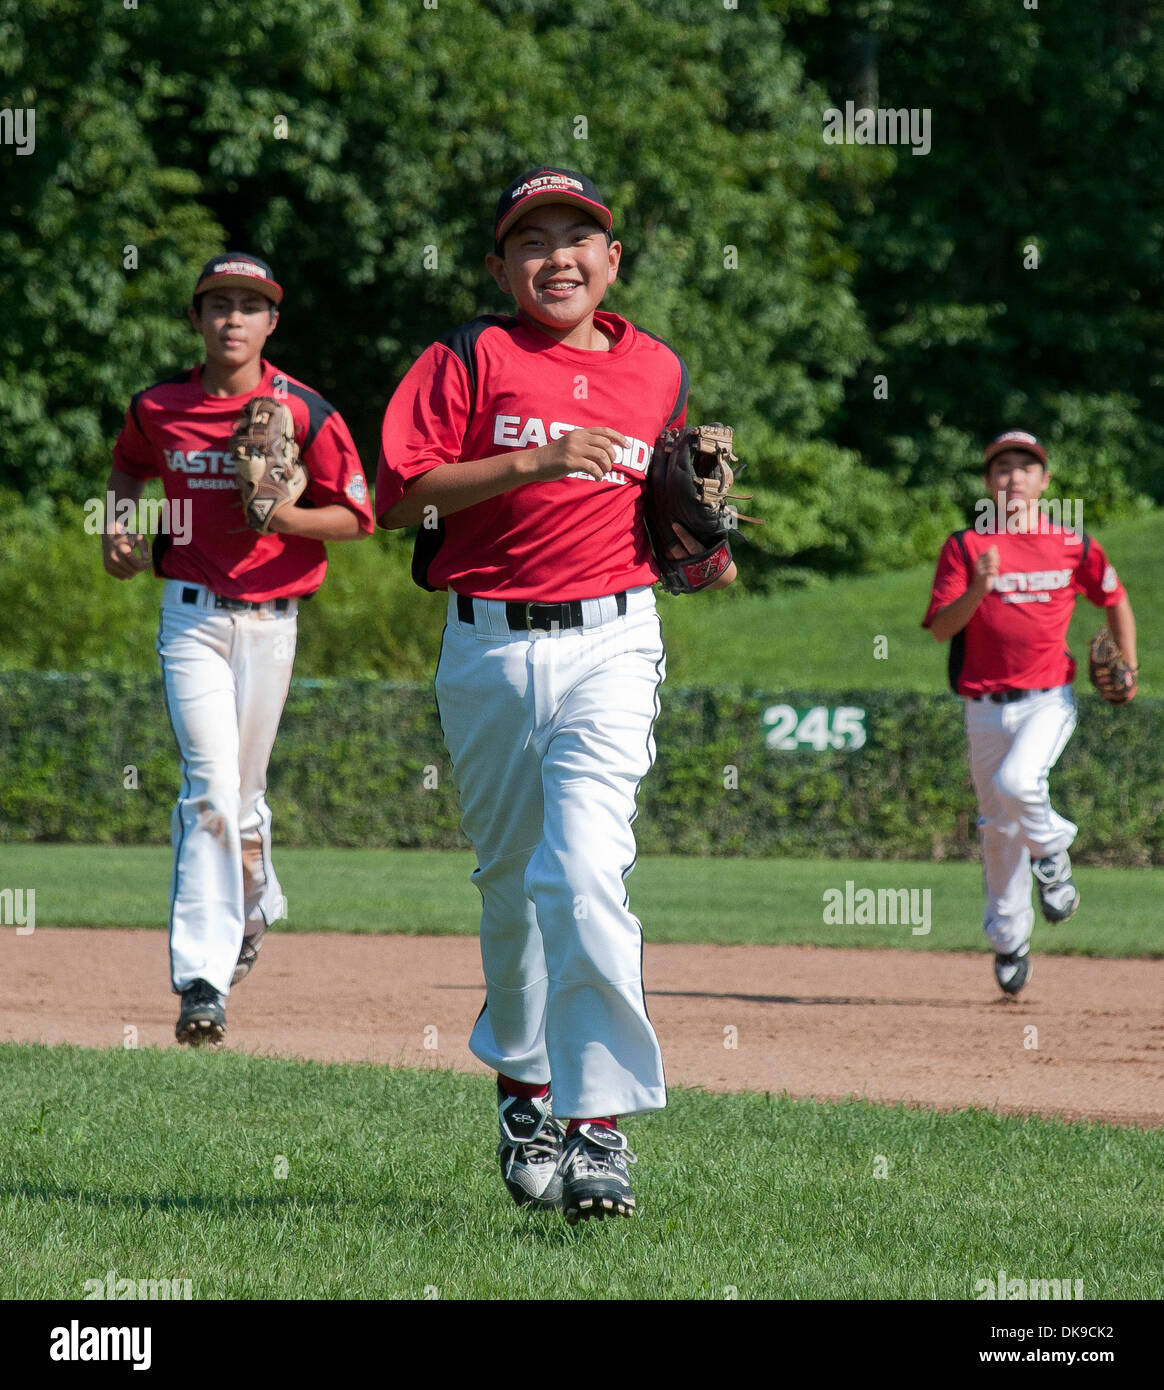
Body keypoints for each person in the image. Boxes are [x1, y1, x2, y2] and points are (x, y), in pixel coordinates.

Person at [376, 167, 737, 1223]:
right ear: (501, 266)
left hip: (614, 643)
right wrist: (530, 460)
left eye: (579, 236)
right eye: (532, 241)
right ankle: (525, 1086)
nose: (557, 256)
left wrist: (707, 544)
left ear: (613, 260)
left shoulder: (656, 368)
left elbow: (669, 513)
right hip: (487, 647)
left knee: (583, 870)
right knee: (508, 886)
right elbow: (398, 494)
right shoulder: (468, 356)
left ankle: (599, 1127)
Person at [103, 252, 373, 1044]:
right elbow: (127, 470)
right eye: (218, 303)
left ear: (271, 323)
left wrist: (282, 519)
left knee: (245, 798)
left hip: (274, 622)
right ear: (195, 318)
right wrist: (120, 527)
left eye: (250, 305)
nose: (232, 317)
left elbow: (359, 517)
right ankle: (201, 981)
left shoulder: (307, 412)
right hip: (190, 616)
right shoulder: (159, 405)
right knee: (210, 790)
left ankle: (252, 908)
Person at [923, 430, 1137, 996]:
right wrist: (979, 587)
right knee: (997, 829)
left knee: (1020, 783)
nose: (1013, 476)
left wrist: (1131, 665)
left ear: (1044, 482)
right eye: (1001, 468)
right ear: (989, 484)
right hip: (983, 704)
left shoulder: (1071, 543)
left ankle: (1052, 855)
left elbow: (1114, 597)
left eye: (1025, 467)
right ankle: (1009, 940)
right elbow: (942, 626)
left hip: (1048, 698)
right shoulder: (966, 546)